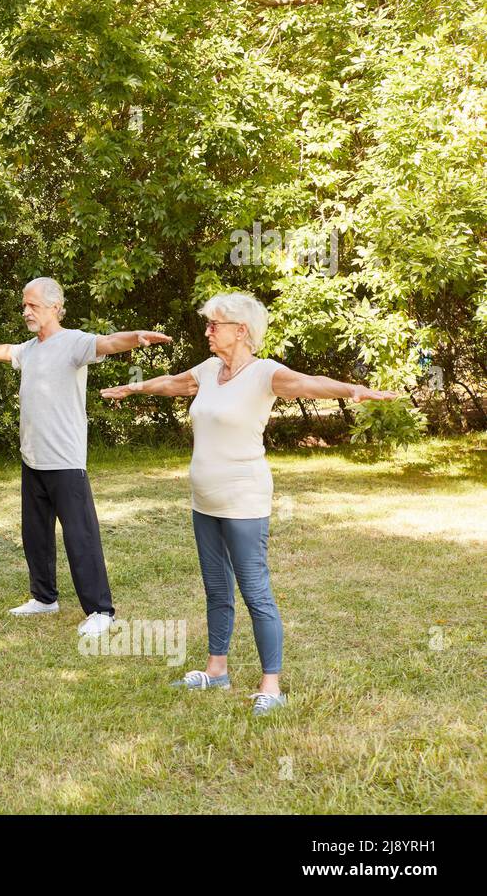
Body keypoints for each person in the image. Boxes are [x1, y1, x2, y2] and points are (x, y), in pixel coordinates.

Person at [101, 292, 400, 715]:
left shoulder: (264, 374)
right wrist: (133, 388)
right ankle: (216, 669)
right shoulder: (208, 371)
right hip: (203, 499)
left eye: (213, 324)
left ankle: (271, 685)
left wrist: (357, 390)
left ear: (241, 331)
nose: (207, 331)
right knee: (216, 587)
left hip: (244, 499)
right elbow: (171, 385)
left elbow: (308, 384)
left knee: (255, 590)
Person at [0, 277, 172, 635]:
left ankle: (101, 611)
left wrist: (134, 337)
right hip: (33, 457)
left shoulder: (73, 342)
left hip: (65, 459)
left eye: (33, 306)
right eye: (24, 305)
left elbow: (105, 342)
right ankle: (44, 598)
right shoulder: (29, 349)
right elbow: (7, 350)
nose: (26, 311)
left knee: (80, 535)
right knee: (35, 534)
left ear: (55, 308)